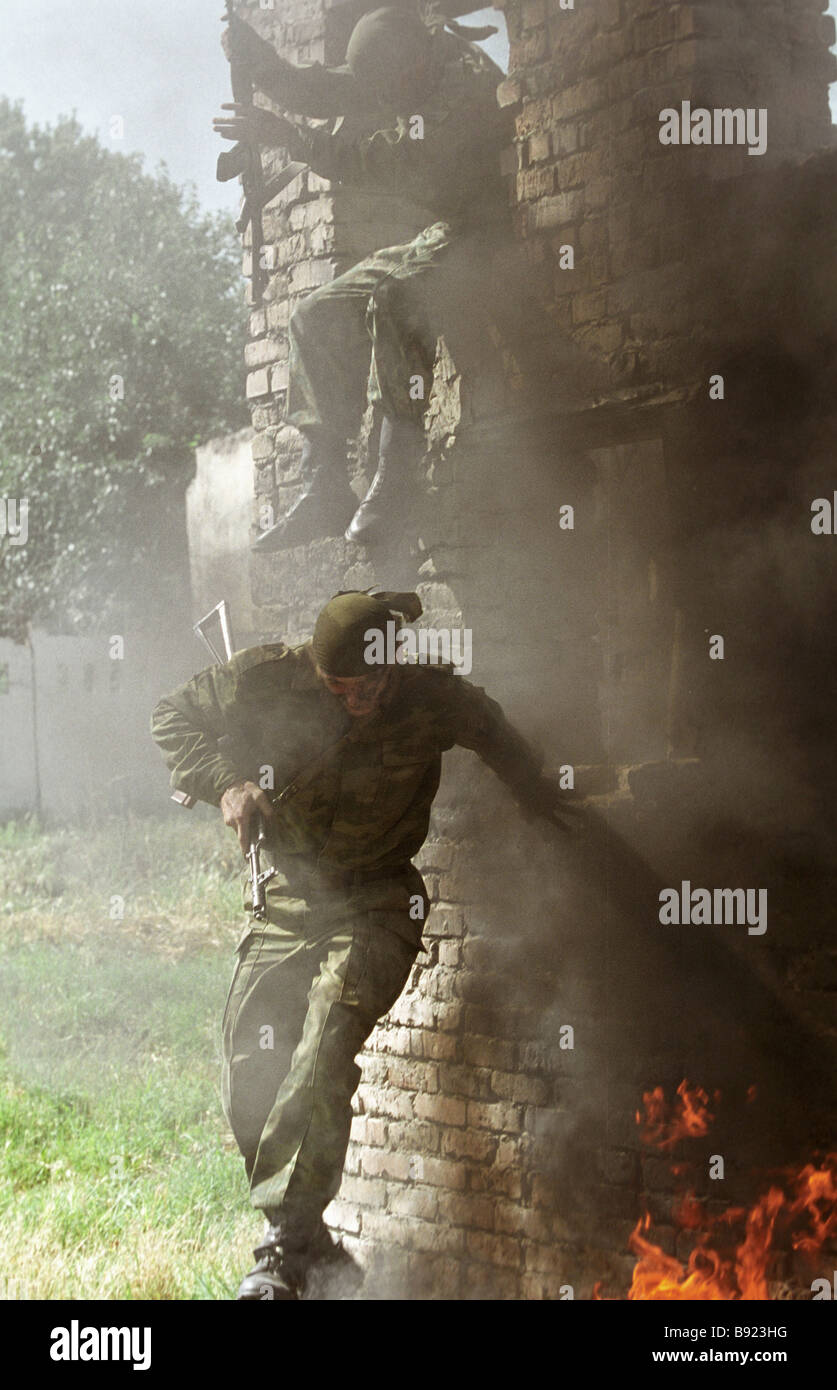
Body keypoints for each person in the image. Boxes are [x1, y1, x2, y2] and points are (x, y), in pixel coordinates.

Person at [150, 590, 577, 1299]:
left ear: (393, 664)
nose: (358, 700)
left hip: (379, 902)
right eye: (339, 688)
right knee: (249, 1068)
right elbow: (170, 715)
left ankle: (284, 1250)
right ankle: (316, 1242)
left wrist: (539, 789)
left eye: (371, 686)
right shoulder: (265, 677)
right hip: (287, 903)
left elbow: (494, 733)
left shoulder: (432, 697)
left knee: (319, 1051)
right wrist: (225, 783)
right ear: (317, 672)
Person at [213, 6, 513, 550]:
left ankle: (397, 477)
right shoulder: (396, 62)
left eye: (391, 88)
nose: (386, 100)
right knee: (313, 316)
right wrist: (256, 58)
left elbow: (396, 161)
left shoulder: (465, 85)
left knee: (397, 295)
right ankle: (325, 486)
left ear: (417, 62)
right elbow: (320, 91)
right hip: (445, 232)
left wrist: (295, 139)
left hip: (493, 236)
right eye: (377, 89)